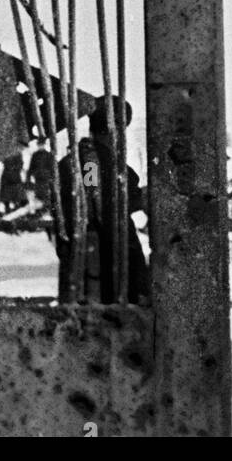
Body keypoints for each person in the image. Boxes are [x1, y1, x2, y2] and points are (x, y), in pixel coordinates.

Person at [56, 96, 149, 305]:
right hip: (105, 254)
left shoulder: (81, 159)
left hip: (84, 253)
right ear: (115, 128)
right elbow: (92, 194)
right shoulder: (92, 161)